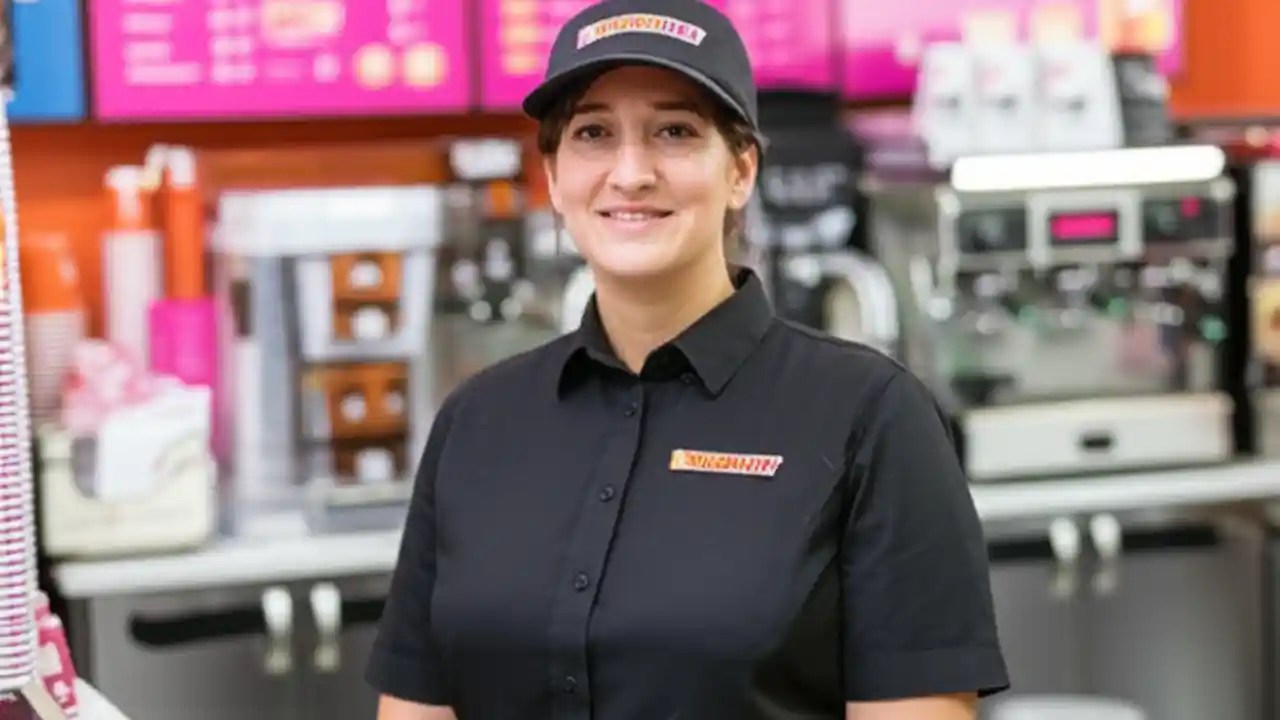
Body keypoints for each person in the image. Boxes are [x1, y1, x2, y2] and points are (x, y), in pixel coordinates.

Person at [366, 0, 1010, 718]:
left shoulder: (871, 418)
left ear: (740, 170)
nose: (631, 172)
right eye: (593, 133)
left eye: (674, 131)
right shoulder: (477, 422)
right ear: (552, 177)